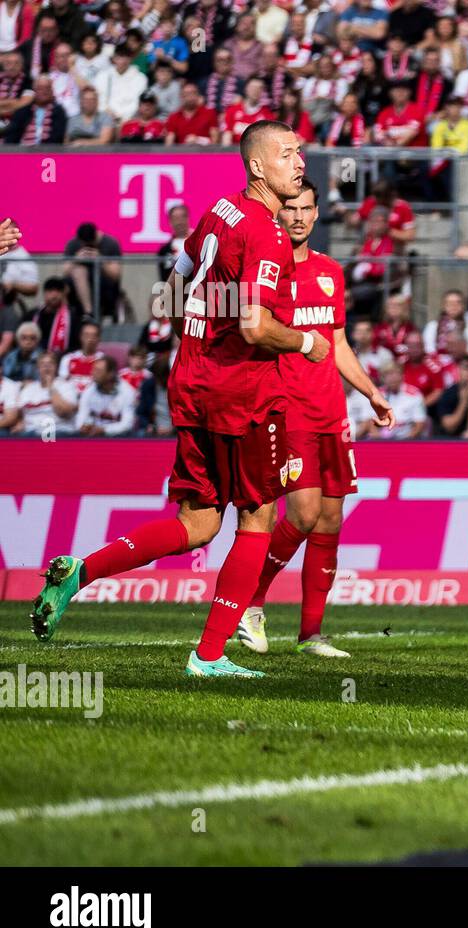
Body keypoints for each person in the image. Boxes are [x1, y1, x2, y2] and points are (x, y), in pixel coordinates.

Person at [30, 120, 331, 681]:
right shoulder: (266, 232)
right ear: (258, 166)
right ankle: (210, 655)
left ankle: (80, 572)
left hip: (190, 380)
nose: (299, 161)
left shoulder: (222, 209)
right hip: (239, 393)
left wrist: (175, 326)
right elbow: (253, 325)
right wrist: (309, 342)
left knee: (196, 522)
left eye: (300, 152)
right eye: (288, 153)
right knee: (259, 516)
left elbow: (181, 267)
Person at [235, 178, 393, 660]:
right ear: (278, 213)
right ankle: (251, 602)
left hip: (332, 411)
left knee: (329, 519)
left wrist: (371, 392)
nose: (298, 216)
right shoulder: (267, 271)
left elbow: (339, 343)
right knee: (301, 514)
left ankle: (311, 634)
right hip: (288, 410)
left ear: (318, 213)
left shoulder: (330, 271)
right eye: (291, 209)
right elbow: (252, 334)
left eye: (306, 208)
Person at [62, 222, 122, 322]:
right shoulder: (72, 244)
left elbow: (115, 275)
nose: (88, 247)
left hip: (104, 285)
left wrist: (100, 260)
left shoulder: (111, 243)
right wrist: (76, 259)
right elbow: (65, 272)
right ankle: (88, 313)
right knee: (78, 271)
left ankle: (90, 314)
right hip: (76, 286)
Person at [75, 355, 135, 436]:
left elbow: (127, 425)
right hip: (92, 436)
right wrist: (82, 426)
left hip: (117, 438)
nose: (92, 373)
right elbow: (81, 416)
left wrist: (105, 430)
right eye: (93, 369)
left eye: (98, 371)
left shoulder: (127, 392)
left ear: (110, 374)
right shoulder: (89, 390)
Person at [433, 352, 468, 437]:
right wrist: (464, 401)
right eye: (466, 367)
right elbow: (449, 426)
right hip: (453, 439)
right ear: (458, 369)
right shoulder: (447, 393)